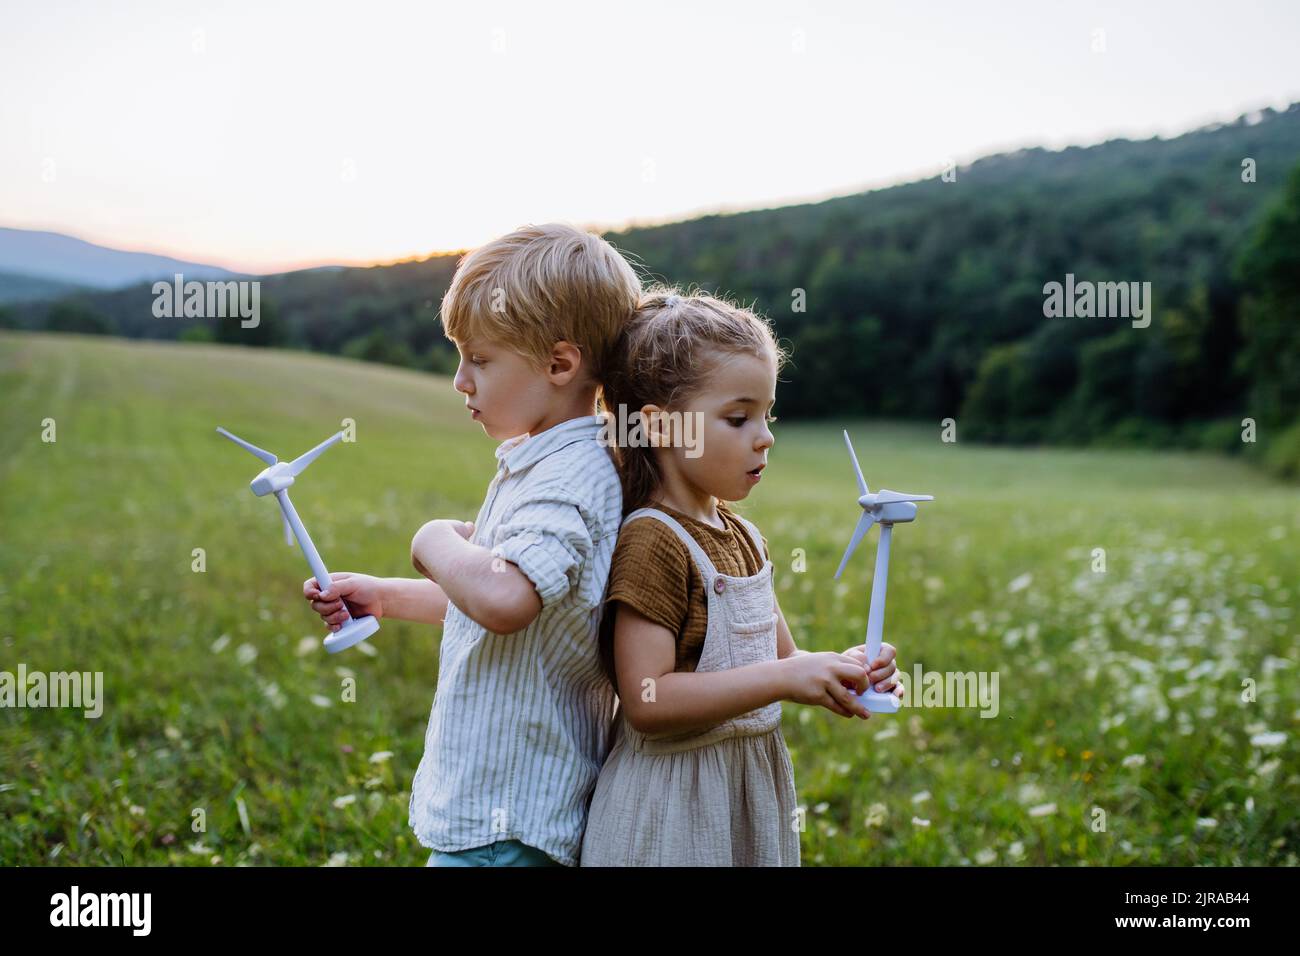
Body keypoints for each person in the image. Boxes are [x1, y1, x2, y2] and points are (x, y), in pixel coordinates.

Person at [304, 223, 641, 866]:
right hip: (505, 807)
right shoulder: (544, 462)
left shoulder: (570, 475)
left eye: (479, 360)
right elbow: (504, 608)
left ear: (560, 363)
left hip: (507, 813)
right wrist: (382, 596)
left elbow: (504, 601)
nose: (461, 381)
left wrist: (430, 539)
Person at [579, 287, 904, 866]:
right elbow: (647, 699)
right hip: (672, 810)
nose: (766, 436)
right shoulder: (654, 539)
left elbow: (782, 664)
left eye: (767, 415)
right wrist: (787, 678)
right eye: (738, 417)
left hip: (742, 793)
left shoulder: (744, 538)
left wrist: (846, 669)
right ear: (661, 427)